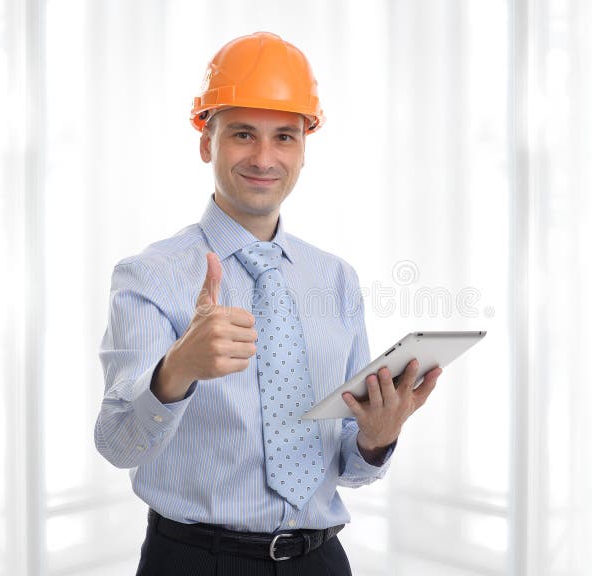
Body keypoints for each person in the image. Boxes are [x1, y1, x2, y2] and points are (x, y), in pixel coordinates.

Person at [95, 31, 443, 575]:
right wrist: (177, 370)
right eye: (242, 134)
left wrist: (377, 439)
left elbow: (349, 465)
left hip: (320, 560)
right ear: (206, 141)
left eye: (284, 136)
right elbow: (118, 443)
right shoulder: (150, 276)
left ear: (304, 148)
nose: (264, 157)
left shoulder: (335, 280)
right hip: (193, 562)